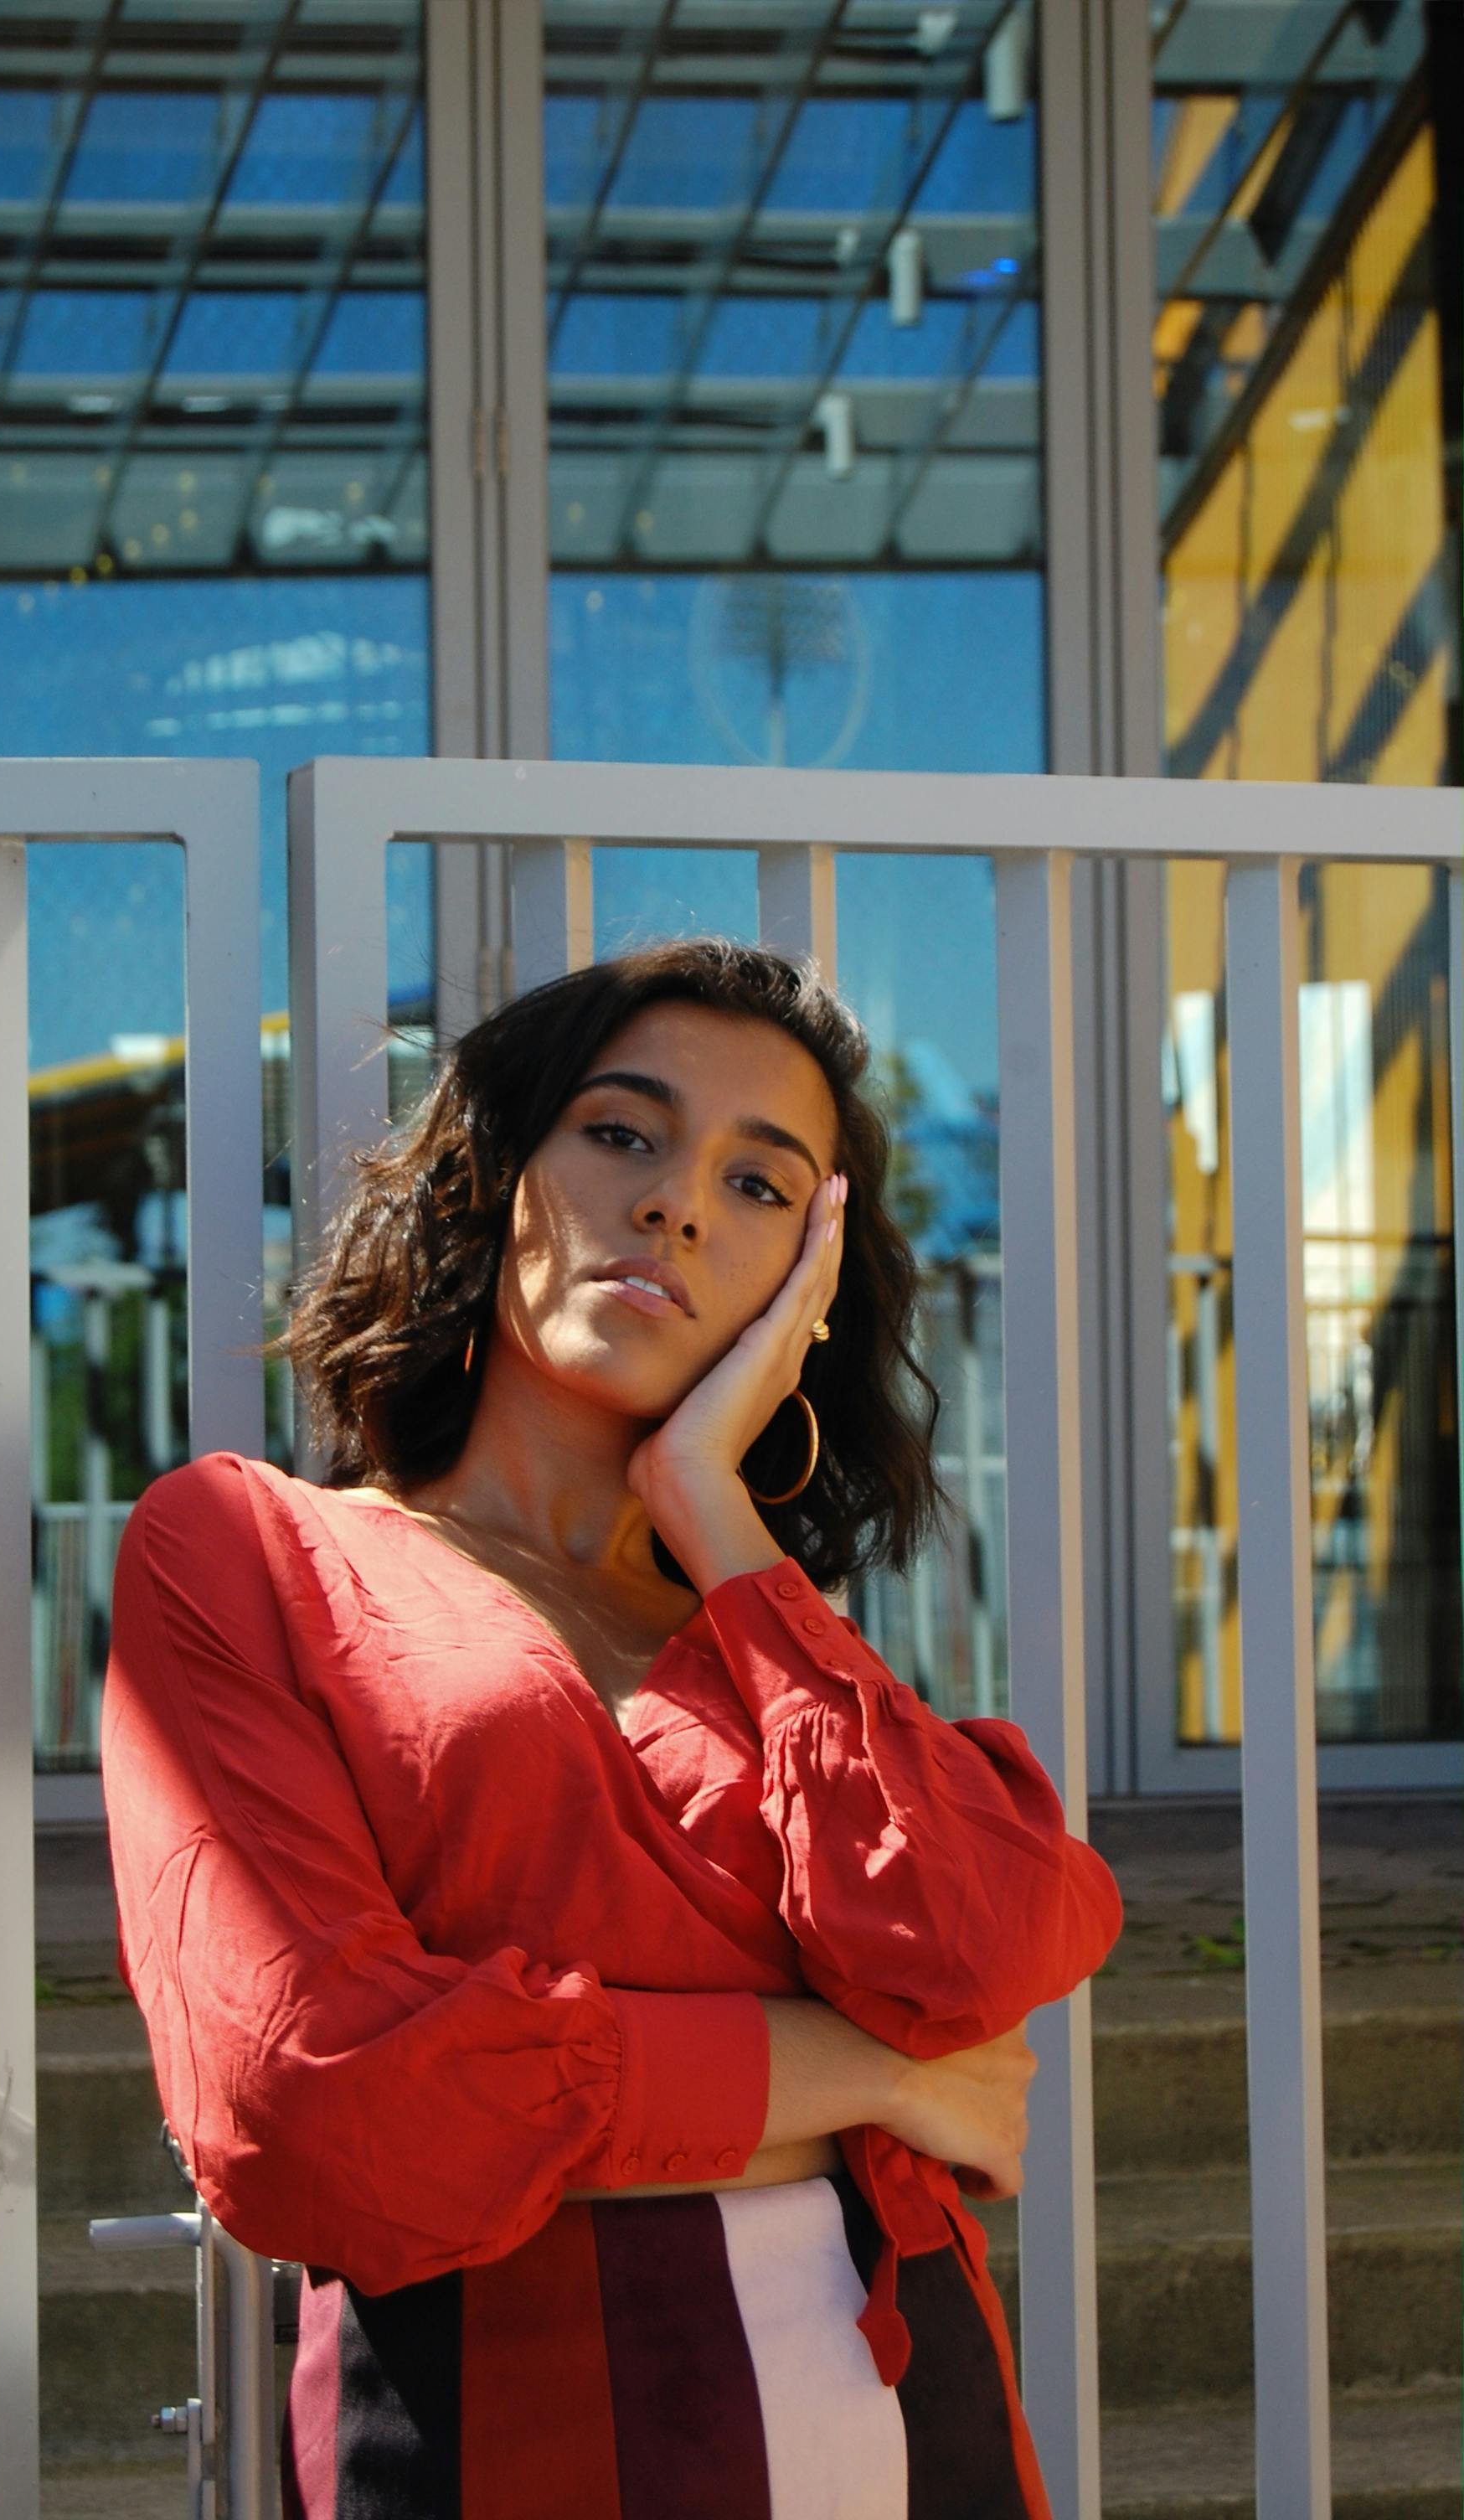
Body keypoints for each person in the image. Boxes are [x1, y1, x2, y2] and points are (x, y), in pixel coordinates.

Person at [101, 937, 1122, 2520]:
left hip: (925, 2437)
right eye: (622, 1133)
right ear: (498, 1172)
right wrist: (864, 2074)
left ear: (811, 1284)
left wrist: (711, 1506)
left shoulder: (771, 1632)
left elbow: (976, 1943)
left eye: (763, 1185)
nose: (677, 1204)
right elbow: (312, 2108)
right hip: (486, 2437)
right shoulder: (253, 1554)